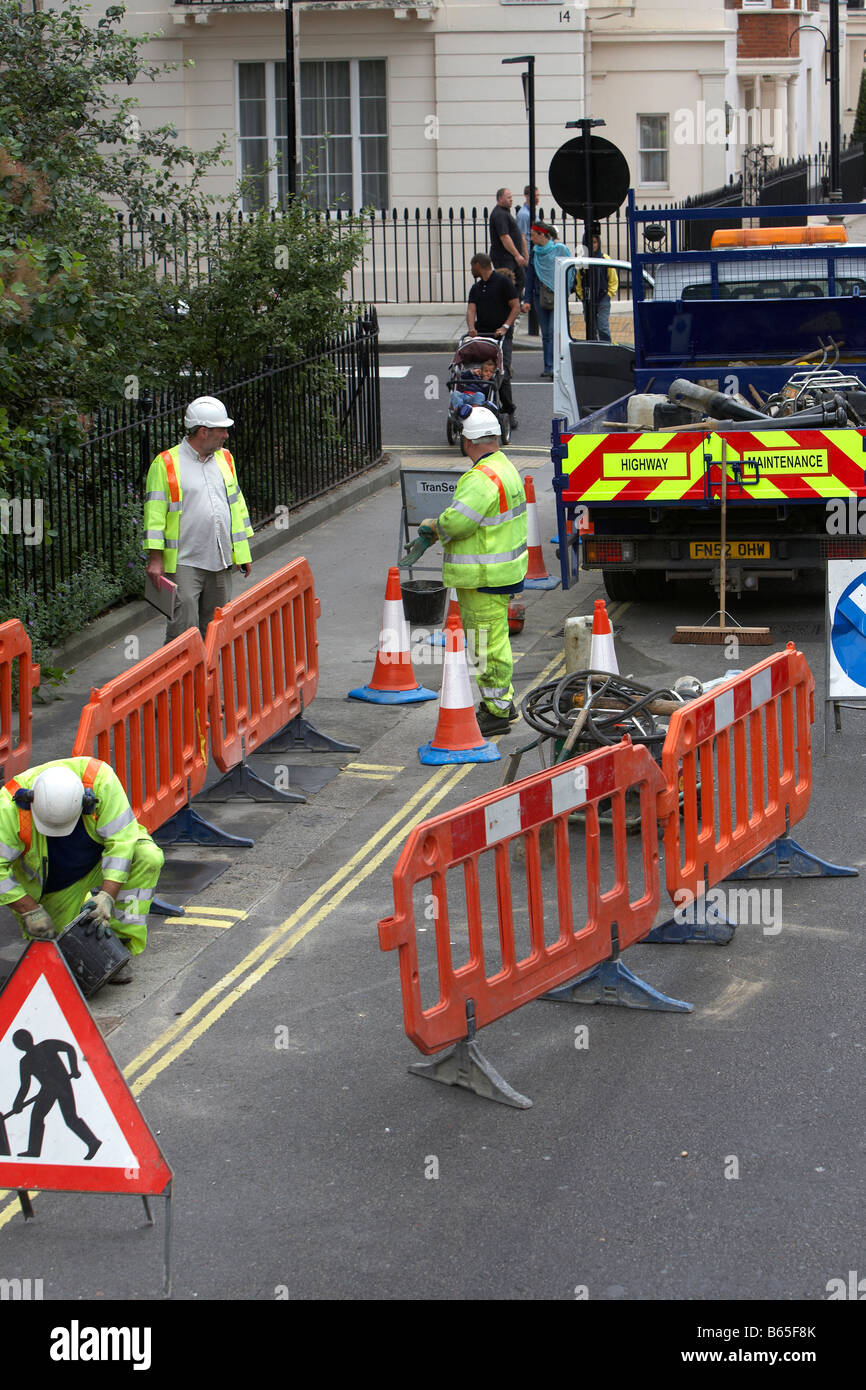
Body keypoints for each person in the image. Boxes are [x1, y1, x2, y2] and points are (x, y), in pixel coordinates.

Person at [0, 757, 164, 983]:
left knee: (147, 857)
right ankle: (79, 932)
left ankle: (121, 943)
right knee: (63, 948)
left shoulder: (100, 782)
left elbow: (122, 843)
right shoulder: (8, 807)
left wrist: (107, 896)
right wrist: (29, 910)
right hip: (54, 885)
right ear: (30, 802)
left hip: (96, 862)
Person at [419, 406, 528, 737]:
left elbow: (458, 521)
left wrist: (435, 525)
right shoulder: (504, 467)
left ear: (467, 441)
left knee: (486, 644)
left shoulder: (480, 478)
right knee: (495, 641)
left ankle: (496, 711)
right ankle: (502, 703)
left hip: (483, 576)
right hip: (501, 572)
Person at [144, 395, 254, 642]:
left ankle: (210, 679)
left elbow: (237, 507)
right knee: (183, 628)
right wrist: (155, 559)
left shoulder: (225, 459)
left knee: (218, 628)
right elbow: (154, 515)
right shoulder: (166, 463)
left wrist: (242, 554)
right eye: (222, 430)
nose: (226, 435)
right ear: (203, 432)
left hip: (220, 558)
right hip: (184, 561)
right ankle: (179, 679)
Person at [467, 253, 520, 427]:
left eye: (472, 266)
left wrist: (505, 326)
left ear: (478, 265)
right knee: (483, 372)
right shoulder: (476, 288)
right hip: (483, 335)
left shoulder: (503, 282)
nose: (471, 270)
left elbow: (515, 307)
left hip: (501, 336)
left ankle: (508, 410)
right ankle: (485, 405)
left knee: (501, 373)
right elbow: (471, 310)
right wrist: (471, 328)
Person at [522, 220, 573, 379]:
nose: (531, 238)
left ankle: (557, 366)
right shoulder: (535, 253)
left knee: (553, 331)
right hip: (539, 296)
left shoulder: (560, 250)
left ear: (542, 235)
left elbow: (570, 272)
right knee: (545, 334)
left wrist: (566, 290)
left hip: (557, 295)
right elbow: (530, 277)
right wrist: (527, 299)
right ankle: (548, 367)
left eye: (533, 235)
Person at [576, 225, 619, 344]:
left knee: (603, 327)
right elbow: (578, 279)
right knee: (591, 328)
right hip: (587, 298)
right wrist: (581, 295)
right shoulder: (582, 260)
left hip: (603, 298)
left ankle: (607, 348)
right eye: (590, 242)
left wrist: (609, 294)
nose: (593, 245)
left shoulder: (604, 258)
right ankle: (594, 349)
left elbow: (613, 279)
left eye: (595, 242)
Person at [489, 187, 527, 301]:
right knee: (507, 284)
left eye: (511, 197)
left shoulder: (505, 213)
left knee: (520, 280)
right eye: (509, 197)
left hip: (510, 257)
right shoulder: (500, 214)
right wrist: (517, 255)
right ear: (500, 199)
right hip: (504, 257)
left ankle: (514, 308)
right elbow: (504, 237)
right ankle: (508, 310)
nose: (511, 200)